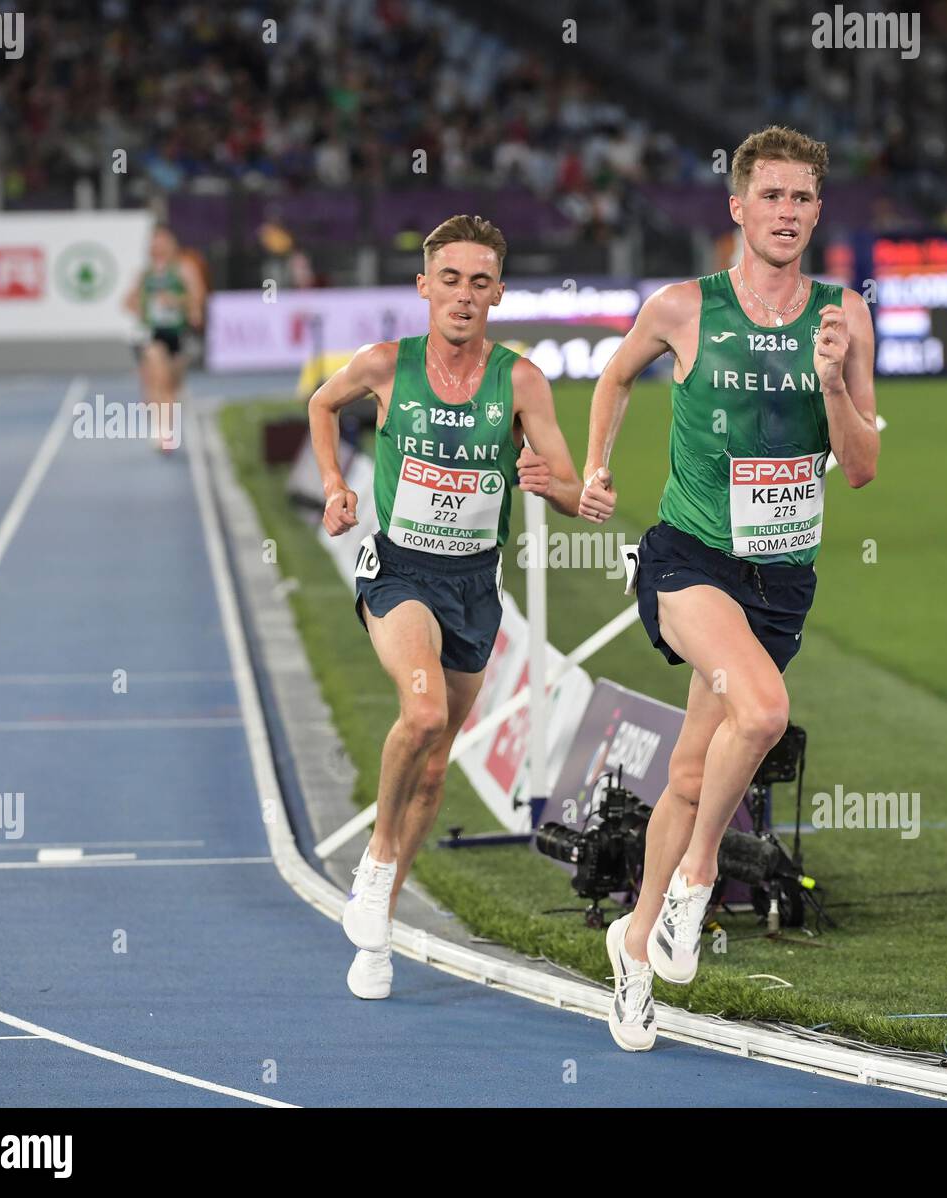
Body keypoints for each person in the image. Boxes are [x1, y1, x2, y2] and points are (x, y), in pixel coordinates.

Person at [579, 126, 880, 1051]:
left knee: (687, 769)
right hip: (689, 559)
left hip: (782, 576)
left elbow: (861, 466)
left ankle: (634, 948)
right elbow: (614, 375)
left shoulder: (846, 316)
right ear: (738, 207)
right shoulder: (683, 308)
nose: (786, 213)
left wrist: (833, 382)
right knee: (762, 710)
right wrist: (596, 467)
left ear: (817, 212)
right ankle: (698, 879)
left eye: (802, 199)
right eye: (771, 197)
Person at [308, 215, 583, 999]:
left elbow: (569, 488)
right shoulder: (385, 365)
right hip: (399, 572)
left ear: (498, 292)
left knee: (433, 777)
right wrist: (334, 485)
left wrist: (555, 487)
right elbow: (322, 408)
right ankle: (375, 860)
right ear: (425, 287)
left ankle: (379, 929)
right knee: (422, 715)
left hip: (474, 585)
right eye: (450, 280)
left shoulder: (521, 380)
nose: (464, 296)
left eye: (480, 282)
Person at [124, 223, 205, 453]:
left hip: (178, 334)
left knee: (171, 386)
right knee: (157, 378)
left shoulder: (184, 268)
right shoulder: (146, 274)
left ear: (171, 243)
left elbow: (197, 299)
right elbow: (129, 302)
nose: (158, 246)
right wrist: (141, 307)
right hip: (153, 334)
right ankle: (163, 432)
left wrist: (177, 302)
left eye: (163, 241)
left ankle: (164, 423)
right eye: (154, 242)